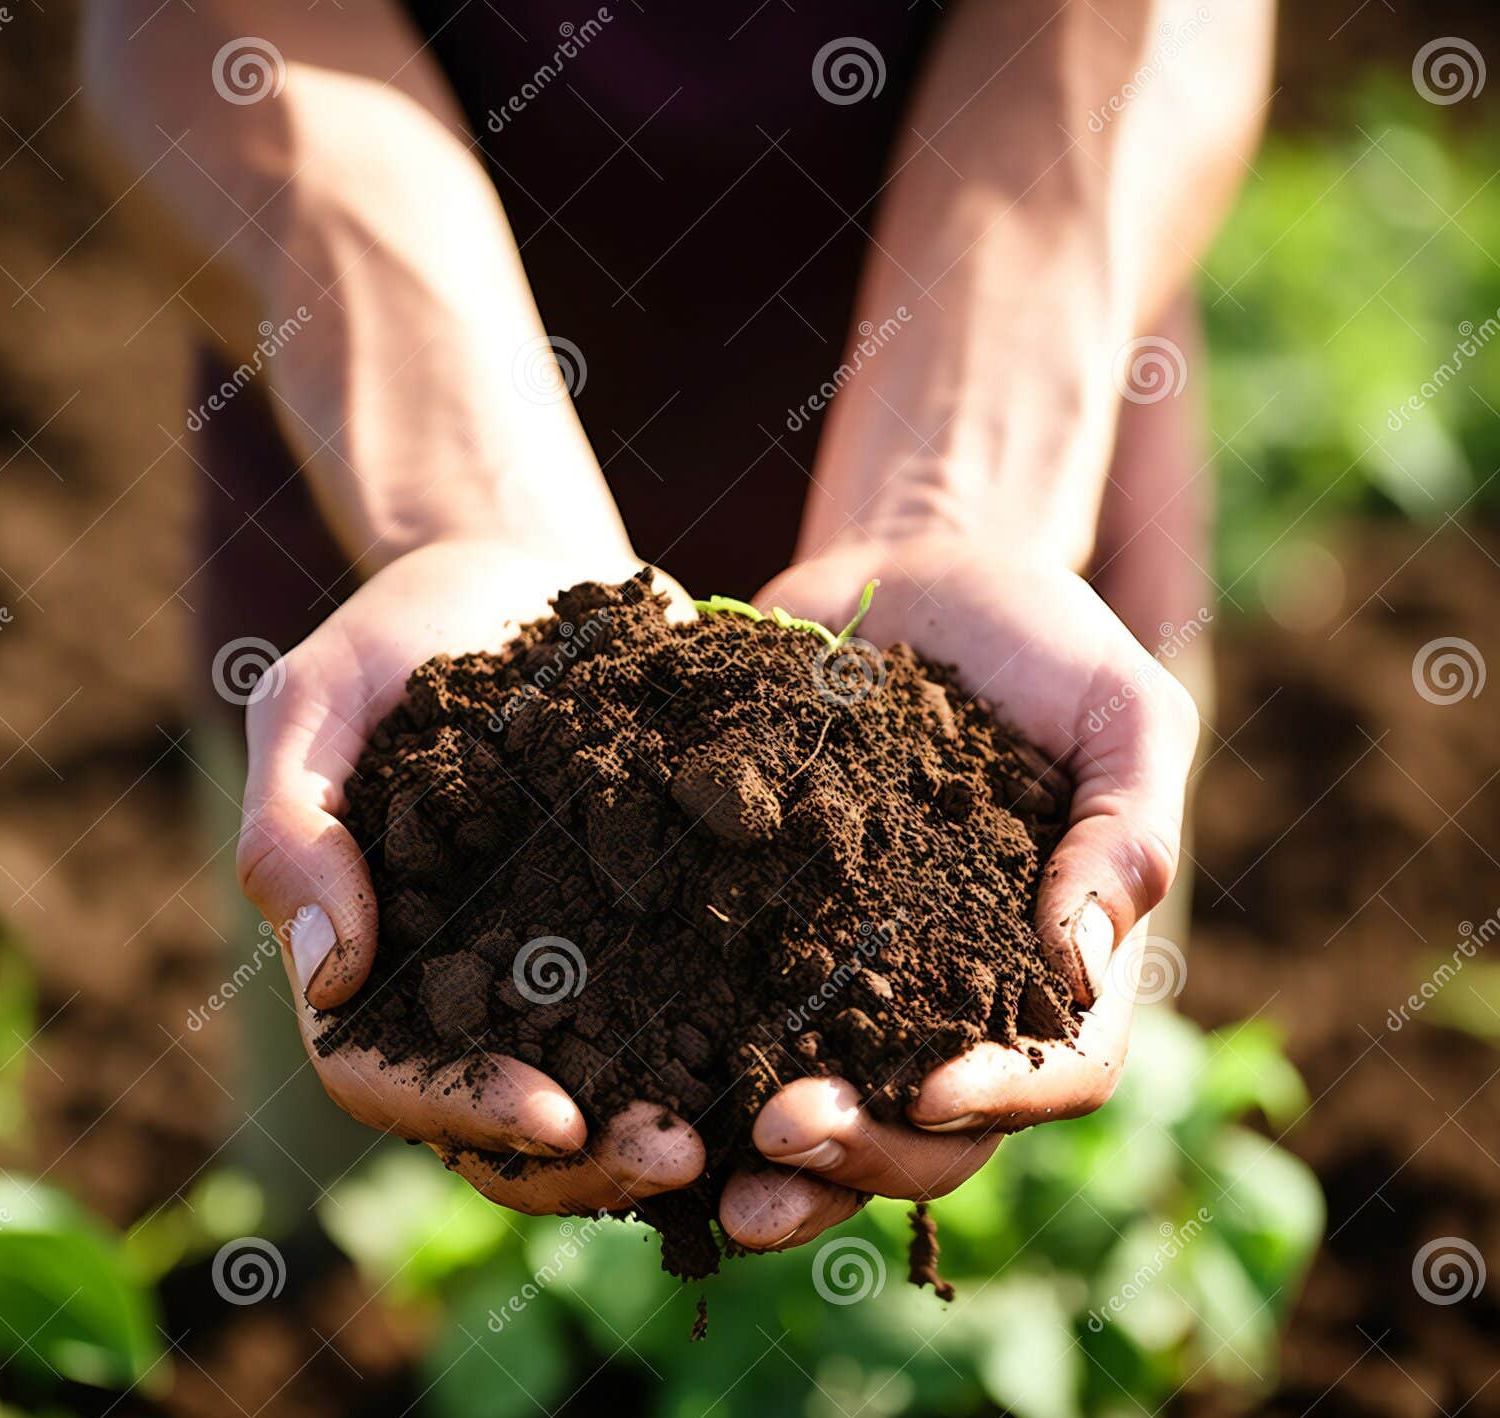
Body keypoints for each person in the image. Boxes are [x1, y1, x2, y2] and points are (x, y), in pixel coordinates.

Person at [80, 1, 1271, 1252]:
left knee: (1089, 1233)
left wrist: (954, 510)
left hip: (1016, 480)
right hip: (387, 502)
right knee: (337, 1262)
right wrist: (466, 515)